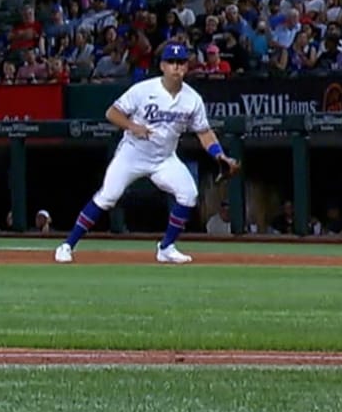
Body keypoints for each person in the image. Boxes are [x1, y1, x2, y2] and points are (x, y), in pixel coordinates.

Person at [55, 41, 238, 265]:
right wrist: (133, 127)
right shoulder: (144, 90)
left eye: (181, 62)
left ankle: (166, 247)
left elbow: (204, 131)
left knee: (188, 194)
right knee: (108, 196)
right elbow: (112, 113)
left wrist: (220, 155)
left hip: (164, 158)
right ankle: (67, 245)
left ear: (187, 67)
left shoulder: (192, 99)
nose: (177, 67)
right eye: (172, 62)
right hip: (132, 154)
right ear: (162, 66)